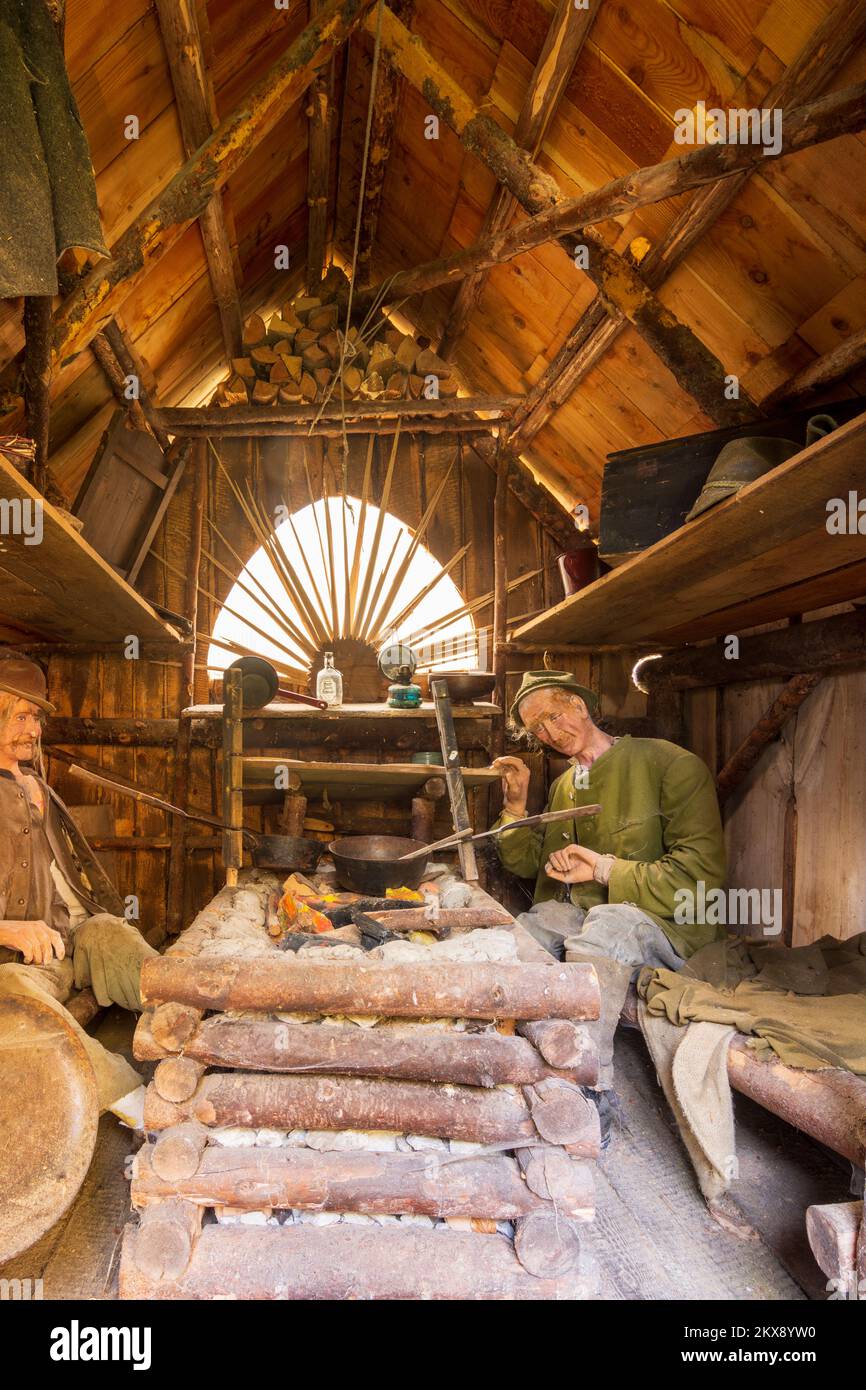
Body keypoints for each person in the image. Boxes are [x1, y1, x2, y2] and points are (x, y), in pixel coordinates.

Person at [491, 670, 726, 1142]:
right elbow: (524, 864)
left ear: (580, 705)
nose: (550, 733)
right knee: (523, 932)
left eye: (554, 716)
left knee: (608, 926)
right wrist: (516, 807)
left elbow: (699, 881)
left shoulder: (669, 764)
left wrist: (601, 869)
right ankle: (503, 1065)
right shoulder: (564, 786)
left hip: (669, 925)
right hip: (585, 917)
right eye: (537, 728)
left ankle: (589, 1089)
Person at [0, 653, 156, 1128]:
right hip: (20, 962)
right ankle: (135, 1098)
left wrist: (100, 918)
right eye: (20, 715)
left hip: (72, 937)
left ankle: (199, 1032)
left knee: (118, 937)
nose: (33, 729)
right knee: (12, 1001)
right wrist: (6, 927)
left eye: (36, 718)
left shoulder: (37, 785)